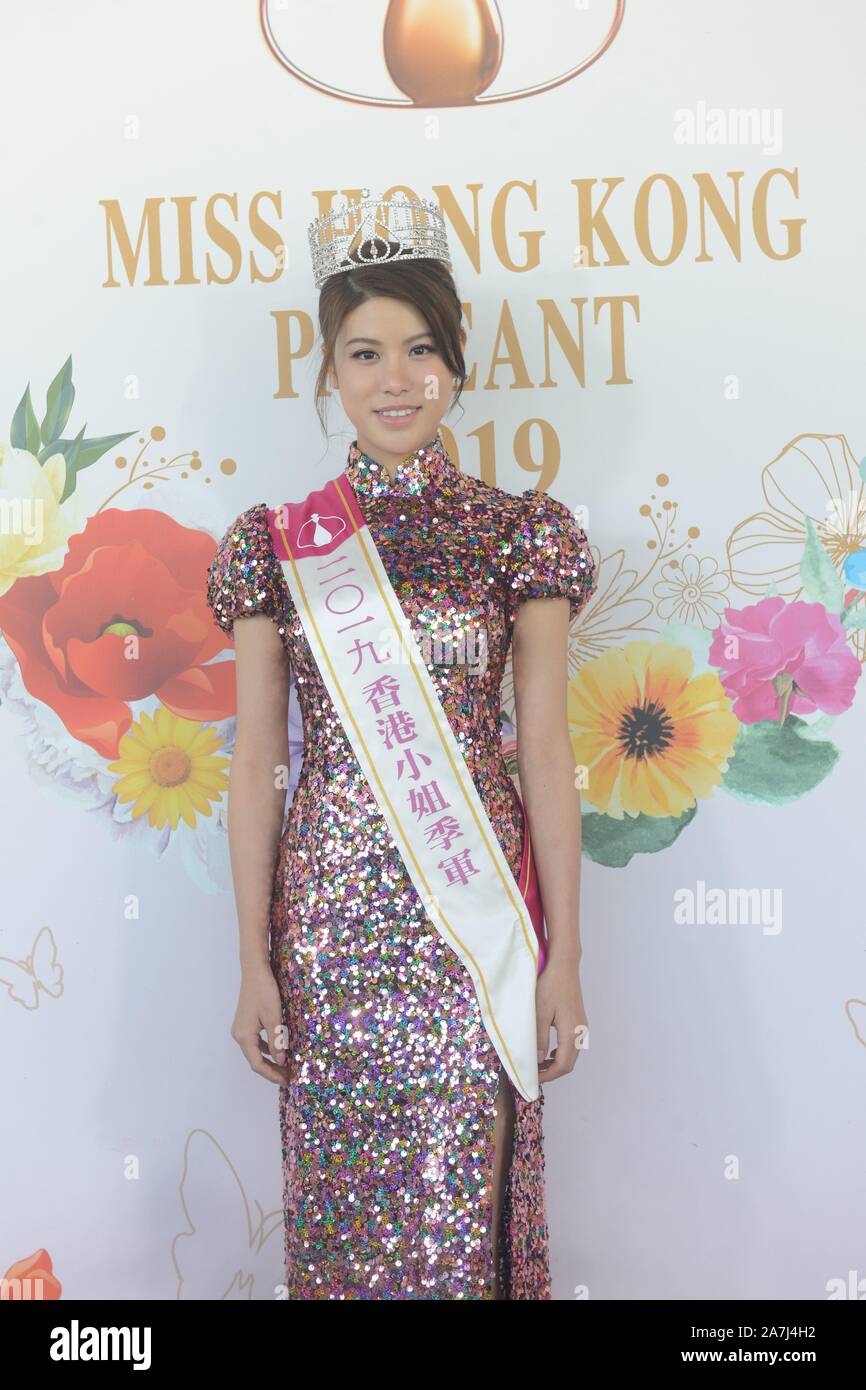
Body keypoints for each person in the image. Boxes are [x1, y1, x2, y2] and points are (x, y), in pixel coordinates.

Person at [205, 191, 596, 1300]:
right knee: (343, 1230)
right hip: (328, 936)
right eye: (365, 351)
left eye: (421, 348)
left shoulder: (520, 532)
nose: (395, 378)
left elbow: (544, 754)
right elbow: (254, 771)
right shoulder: (277, 547)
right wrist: (252, 963)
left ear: (456, 361)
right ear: (327, 369)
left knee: (457, 1217)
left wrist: (565, 955)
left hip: (473, 935)